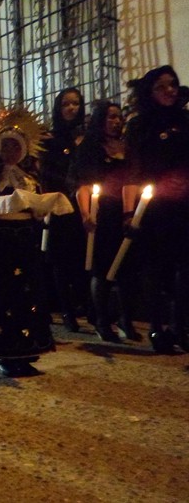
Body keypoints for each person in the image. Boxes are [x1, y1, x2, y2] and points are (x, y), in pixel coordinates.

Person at [0, 106, 60, 377]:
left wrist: (40, 210)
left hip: (24, 243)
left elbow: (37, 204)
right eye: (6, 145)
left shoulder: (30, 176)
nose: (10, 151)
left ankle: (25, 350)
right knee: (1, 297)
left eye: (16, 146)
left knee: (26, 297)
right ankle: (2, 353)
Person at [125, 65, 189, 353]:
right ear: (149, 92)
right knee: (156, 268)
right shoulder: (139, 126)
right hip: (156, 208)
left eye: (172, 84)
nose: (169, 90)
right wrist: (130, 212)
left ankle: (180, 326)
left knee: (185, 267)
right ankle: (156, 327)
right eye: (161, 86)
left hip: (184, 204)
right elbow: (135, 170)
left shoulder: (185, 121)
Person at [70, 100, 139, 342]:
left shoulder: (127, 147)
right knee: (102, 269)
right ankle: (101, 320)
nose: (116, 121)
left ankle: (126, 319)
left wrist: (129, 214)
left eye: (119, 116)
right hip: (102, 213)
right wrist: (85, 214)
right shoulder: (89, 148)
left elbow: (132, 180)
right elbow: (84, 185)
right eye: (111, 117)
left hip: (124, 213)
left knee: (127, 270)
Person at [40, 88, 90, 332]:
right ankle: (66, 310)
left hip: (85, 204)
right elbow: (47, 173)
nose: (71, 108)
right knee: (60, 260)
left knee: (83, 257)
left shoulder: (87, 137)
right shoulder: (51, 139)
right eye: (66, 104)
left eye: (76, 103)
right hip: (61, 204)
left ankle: (87, 306)